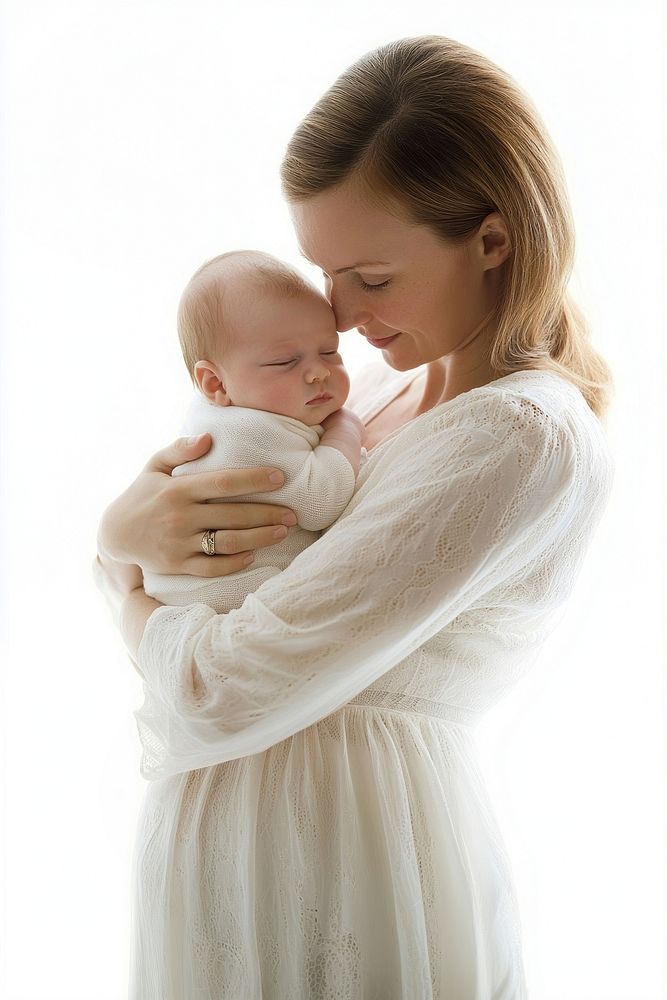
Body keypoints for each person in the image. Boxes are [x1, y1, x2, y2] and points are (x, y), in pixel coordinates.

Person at [94, 34, 615, 1000]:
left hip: (347, 859)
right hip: (247, 850)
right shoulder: (368, 399)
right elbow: (213, 576)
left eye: (370, 279)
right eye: (323, 272)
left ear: (492, 241)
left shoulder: (515, 435)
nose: (335, 315)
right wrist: (125, 537)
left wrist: (121, 576)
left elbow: (217, 686)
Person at [142, 249, 365, 615]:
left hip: (175, 597)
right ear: (216, 383)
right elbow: (320, 502)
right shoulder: (248, 434)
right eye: (285, 362)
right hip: (228, 598)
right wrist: (346, 429)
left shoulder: (213, 414)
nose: (319, 373)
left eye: (330, 352)